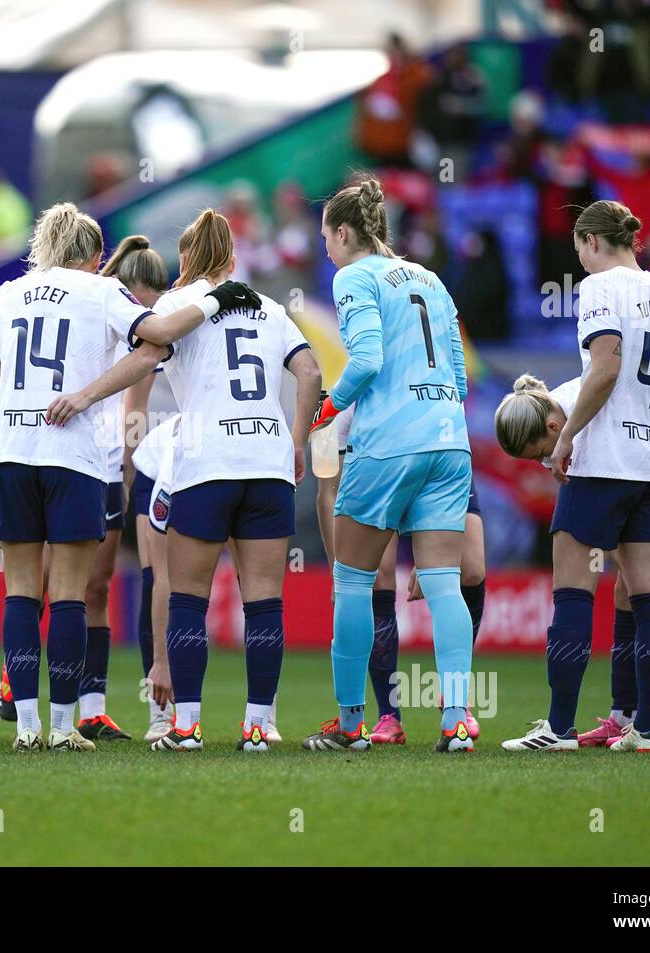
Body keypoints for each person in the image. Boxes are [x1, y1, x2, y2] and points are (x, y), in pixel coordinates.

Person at [0, 201, 260, 751]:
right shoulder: (102, 292)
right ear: (96, 256)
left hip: (10, 452)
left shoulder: (7, 293)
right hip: (71, 455)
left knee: (22, 593)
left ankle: (26, 728)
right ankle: (61, 727)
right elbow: (159, 339)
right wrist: (218, 296)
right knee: (71, 595)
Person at [500, 200, 650, 754]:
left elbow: (606, 367)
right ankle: (647, 730)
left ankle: (559, 728)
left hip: (605, 463)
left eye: (579, 252)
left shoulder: (599, 289)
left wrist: (565, 440)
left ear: (591, 242)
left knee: (572, 593)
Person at [126, 208, 321, 753]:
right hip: (267, 460)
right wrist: (297, 441)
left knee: (189, 596)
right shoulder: (270, 308)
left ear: (185, 261)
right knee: (263, 600)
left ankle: (185, 726)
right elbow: (309, 373)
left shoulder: (174, 305)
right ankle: (260, 724)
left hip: (207, 461)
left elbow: (145, 356)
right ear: (233, 260)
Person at [302, 175, 475, 754]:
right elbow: (459, 373)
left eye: (326, 236)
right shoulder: (432, 279)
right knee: (444, 583)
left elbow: (368, 359)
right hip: (449, 440)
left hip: (389, 445)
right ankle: (455, 721)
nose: (324, 248)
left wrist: (326, 408)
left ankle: (352, 724)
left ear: (345, 231)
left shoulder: (354, 275)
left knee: (351, 582)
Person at [495, 372, 650, 749]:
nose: (545, 461)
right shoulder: (563, 417)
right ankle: (624, 717)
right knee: (629, 590)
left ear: (553, 426)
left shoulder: (591, 419)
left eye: (542, 452)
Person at [315, 401, 488, 745]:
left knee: (470, 570)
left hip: (437, 447)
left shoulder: (428, 375)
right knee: (378, 577)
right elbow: (327, 492)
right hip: (378, 468)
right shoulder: (337, 402)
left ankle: (455, 698)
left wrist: (431, 562)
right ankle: (388, 715)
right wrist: (338, 565)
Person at [75, 236, 170, 742]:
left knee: (97, 583)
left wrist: (129, 463)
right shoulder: (95, 303)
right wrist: (135, 460)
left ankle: (93, 707)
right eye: (142, 297)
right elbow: (135, 403)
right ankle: (15, 671)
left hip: (110, 465)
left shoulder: (144, 325)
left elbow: (138, 401)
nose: (148, 310)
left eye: (155, 300)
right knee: (55, 577)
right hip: (73, 457)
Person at [129, 412, 181, 742]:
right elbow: (163, 578)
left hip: (233, 475)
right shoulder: (176, 450)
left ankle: (262, 716)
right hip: (155, 470)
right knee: (157, 579)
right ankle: (160, 713)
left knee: (250, 582)